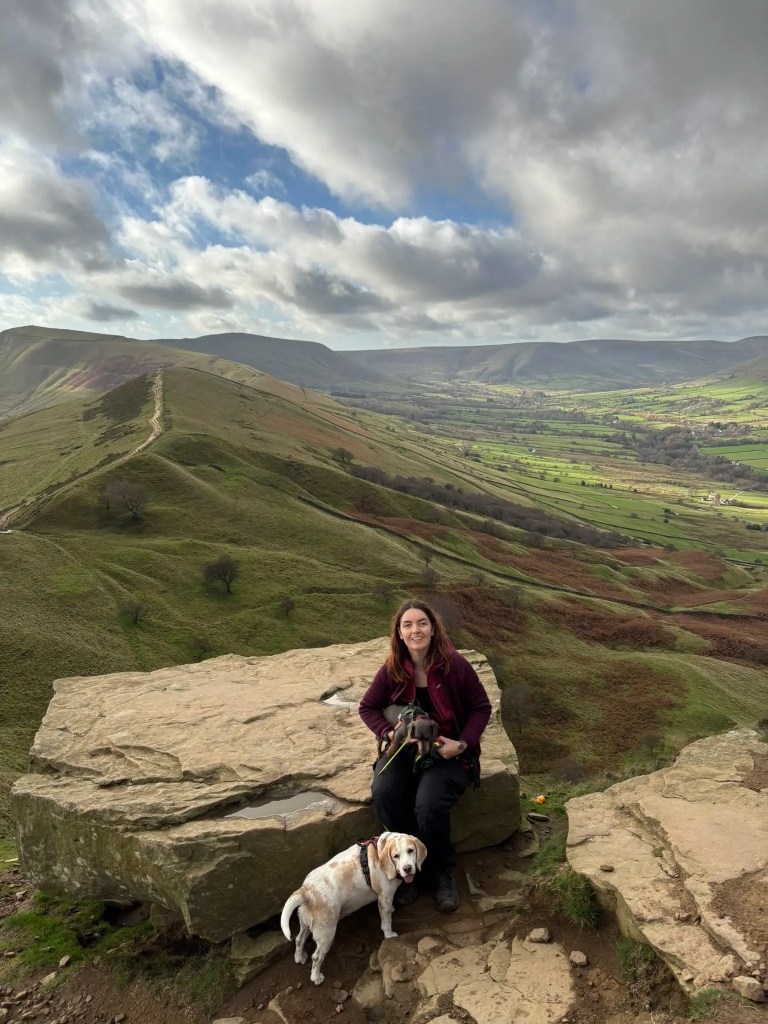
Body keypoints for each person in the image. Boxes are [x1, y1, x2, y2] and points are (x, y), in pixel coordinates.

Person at [359, 599, 492, 913]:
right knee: (384, 792)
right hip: (405, 752)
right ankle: (408, 871)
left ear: (433, 629)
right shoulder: (393, 668)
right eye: (408, 625)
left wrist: (461, 744)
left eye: (421, 623)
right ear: (400, 633)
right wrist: (391, 734)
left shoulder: (455, 665)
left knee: (429, 803)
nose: (415, 630)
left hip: (447, 754)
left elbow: (480, 709)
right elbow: (368, 708)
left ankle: (441, 871)